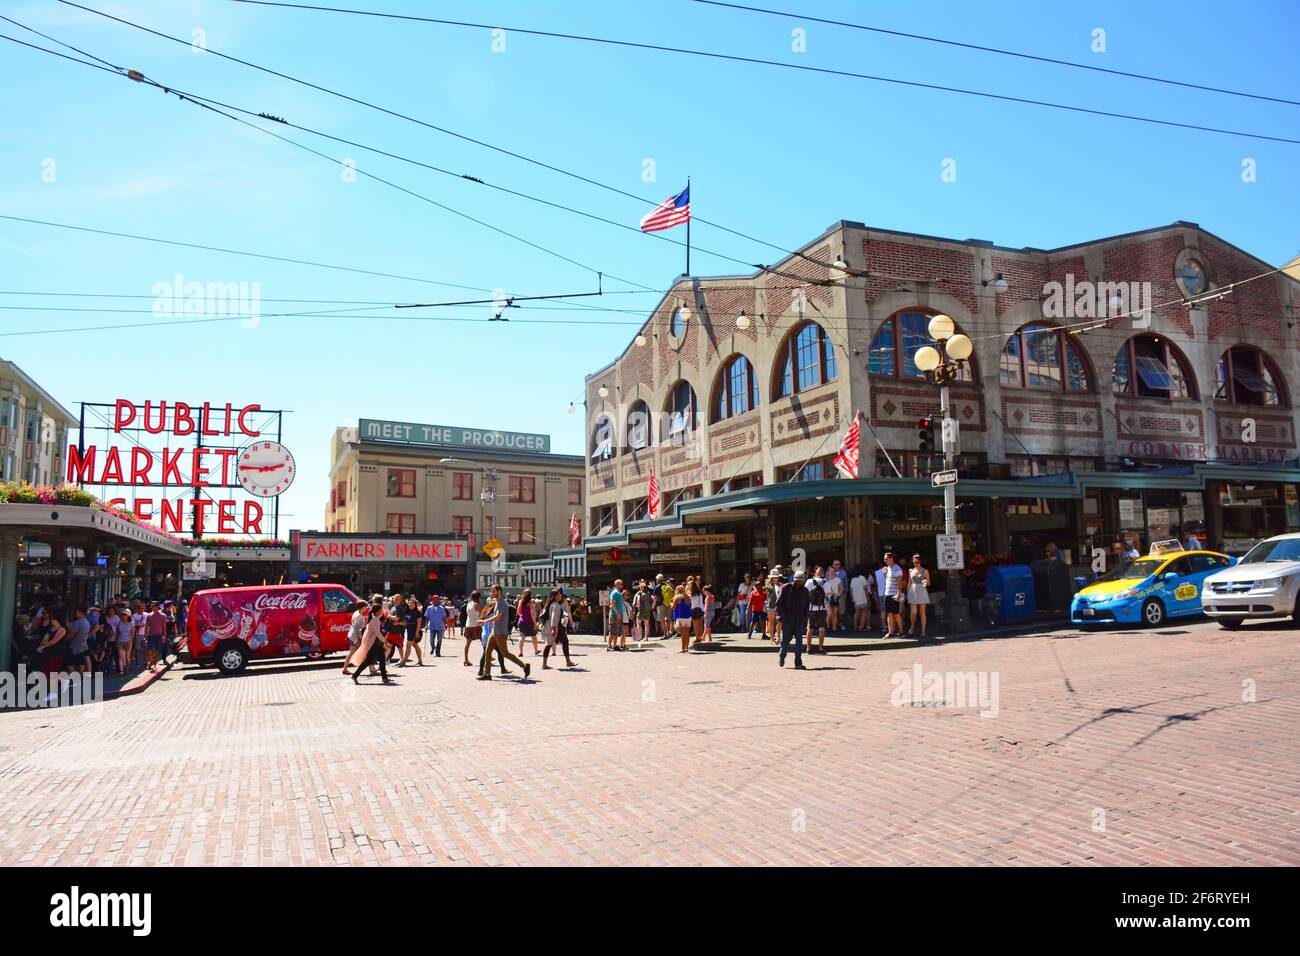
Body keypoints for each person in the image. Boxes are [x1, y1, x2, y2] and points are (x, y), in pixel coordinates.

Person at [479, 585, 530, 681]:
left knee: (505, 653)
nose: (492, 593)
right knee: (488, 651)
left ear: (499, 591)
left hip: (501, 633)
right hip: (495, 631)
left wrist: (484, 621)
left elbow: (498, 617)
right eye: (491, 591)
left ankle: (524, 666)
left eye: (493, 591)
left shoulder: (502, 603)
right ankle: (487, 674)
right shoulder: (497, 602)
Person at [351, 600, 393, 685]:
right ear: (377, 612)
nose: (382, 611)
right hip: (374, 644)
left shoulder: (374, 618)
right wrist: (385, 642)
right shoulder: (375, 619)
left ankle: (384, 678)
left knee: (381, 659)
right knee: (368, 661)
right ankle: (355, 675)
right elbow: (377, 633)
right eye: (381, 610)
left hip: (376, 643)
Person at [775, 571, 809, 670]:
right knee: (785, 643)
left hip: (799, 620)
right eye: (798, 580)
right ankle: (782, 656)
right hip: (788, 620)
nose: (799, 582)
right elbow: (779, 604)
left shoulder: (805, 591)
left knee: (799, 642)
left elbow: (806, 607)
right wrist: (782, 617)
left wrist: (804, 620)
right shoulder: (786, 588)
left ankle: (798, 663)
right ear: (794, 579)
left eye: (801, 581)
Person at [541, 588, 576, 669]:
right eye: (559, 594)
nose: (561, 595)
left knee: (551, 644)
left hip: (552, 626)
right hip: (557, 627)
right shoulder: (556, 605)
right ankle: (567, 662)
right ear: (555, 596)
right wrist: (554, 629)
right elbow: (553, 617)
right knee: (554, 643)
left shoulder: (550, 604)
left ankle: (545, 664)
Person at [875, 553, 905, 638]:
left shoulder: (897, 568)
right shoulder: (887, 568)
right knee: (889, 613)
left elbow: (900, 582)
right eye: (884, 559)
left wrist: (898, 594)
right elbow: (887, 581)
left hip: (894, 594)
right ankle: (890, 632)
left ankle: (901, 632)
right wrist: (884, 573)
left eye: (886, 559)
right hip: (887, 593)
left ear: (891, 559)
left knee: (896, 614)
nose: (885, 561)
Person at [906, 554, 932, 639]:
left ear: (920, 562)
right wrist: (907, 593)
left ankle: (923, 631)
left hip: (922, 590)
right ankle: (912, 627)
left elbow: (928, 583)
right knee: (914, 612)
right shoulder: (910, 570)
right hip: (913, 591)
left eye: (917, 562)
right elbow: (909, 582)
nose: (916, 564)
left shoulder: (925, 571)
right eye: (914, 562)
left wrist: (925, 581)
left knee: (922, 613)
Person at [804, 566, 829, 655]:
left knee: (810, 628)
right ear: (822, 574)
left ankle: (808, 648)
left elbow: (805, 593)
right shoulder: (825, 582)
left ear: (815, 573)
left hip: (811, 608)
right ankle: (820, 648)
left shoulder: (809, 581)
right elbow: (828, 593)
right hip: (822, 608)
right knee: (821, 628)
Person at [64, 606, 93, 675]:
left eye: (76, 612)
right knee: (80, 662)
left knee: (70, 663)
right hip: (82, 646)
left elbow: (73, 633)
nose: (75, 614)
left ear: (81, 613)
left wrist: (65, 639)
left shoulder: (78, 622)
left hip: (74, 646)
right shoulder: (87, 622)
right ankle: (79, 676)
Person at [342, 600, 369, 675]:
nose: (366, 608)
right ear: (362, 607)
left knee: (351, 653)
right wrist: (358, 639)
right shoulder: (359, 616)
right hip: (356, 637)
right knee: (365, 652)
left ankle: (345, 669)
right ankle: (371, 668)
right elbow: (357, 629)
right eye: (365, 607)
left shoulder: (356, 613)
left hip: (352, 636)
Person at [400, 595, 425, 667]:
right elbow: (405, 622)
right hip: (409, 630)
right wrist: (398, 623)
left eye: (412, 603)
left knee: (408, 645)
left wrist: (417, 633)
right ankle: (420, 661)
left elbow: (419, 623)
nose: (410, 604)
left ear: (415, 605)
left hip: (414, 630)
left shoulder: (417, 612)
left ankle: (404, 661)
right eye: (409, 603)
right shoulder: (406, 611)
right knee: (415, 645)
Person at [515, 588, 540, 656]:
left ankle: (520, 651)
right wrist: (535, 623)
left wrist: (523, 616)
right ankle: (536, 650)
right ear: (530, 594)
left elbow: (518, 612)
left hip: (521, 621)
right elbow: (532, 614)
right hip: (529, 622)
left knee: (522, 636)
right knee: (534, 636)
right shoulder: (531, 602)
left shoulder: (521, 601)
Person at [144, 600, 167, 673]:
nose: (152, 607)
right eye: (151, 606)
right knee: (150, 650)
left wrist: (164, 636)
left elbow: (164, 627)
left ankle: (154, 665)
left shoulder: (163, 616)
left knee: (157, 651)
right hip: (150, 635)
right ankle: (151, 661)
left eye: (153, 606)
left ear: (157, 607)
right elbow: (146, 626)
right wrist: (145, 636)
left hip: (159, 635)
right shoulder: (149, 615)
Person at [462, 591, 483, 667]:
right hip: (476, 625)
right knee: (484, 641)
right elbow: (484, 613)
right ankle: (489, 657)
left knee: (468, 643)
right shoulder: (477, 605)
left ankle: (466, 659)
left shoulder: (469, 603)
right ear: (478, 597)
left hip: (469, 625)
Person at [671, 585, 693, 653]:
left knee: (683, 635)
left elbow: (673, 608)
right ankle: (686, 648)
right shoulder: (688, 597)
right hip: (688, 617)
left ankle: (683, 648)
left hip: (681, 617)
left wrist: (671, 604)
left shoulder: (677, 597)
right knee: (687, 633)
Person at [823, 563, 843, 634]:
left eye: (833, 571)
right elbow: (822, 589)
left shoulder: (838, 579)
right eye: (831, 571)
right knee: (829, 614)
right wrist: (827, 593)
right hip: (827, 599)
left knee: (835, 614)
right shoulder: (824, 580)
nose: (832, 572)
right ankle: (828, 628)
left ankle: (834, 629)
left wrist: (838, 594)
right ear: (828, 572)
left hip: (835, 598)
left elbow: (841, 588)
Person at [607, 579, 627, 652]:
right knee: (612, 631)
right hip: (614, 615)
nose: (622, 585)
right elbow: (612, 604)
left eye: (622, 584)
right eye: (620, 584)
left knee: (617, 632)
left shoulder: (619, 593)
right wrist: (618, 613)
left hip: (618, 614)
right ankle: (609, 646)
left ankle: (614, 645)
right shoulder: (614, 593)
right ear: (616, 585)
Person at [831, 560, 850, 632]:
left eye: (838, 564)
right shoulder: (829, 572)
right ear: (833, 565)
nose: (837, 565)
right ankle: (833, 625)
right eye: (835, 564)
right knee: (833, 610)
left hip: (842, 593)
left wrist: (846, 592)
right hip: (832, 594)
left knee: (842, 609)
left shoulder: (844, 572)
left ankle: (840, 622)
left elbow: (846, 582)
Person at [850, 566, 871, 632]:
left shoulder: (853, 579)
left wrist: (852, 598)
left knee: (856, 612)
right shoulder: (862, 578)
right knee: (864, 612)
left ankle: (855, 626)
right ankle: (861, 626)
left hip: (856, 598)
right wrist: (868, 598)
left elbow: (851, 590)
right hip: (863, 597)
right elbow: (865, 589)